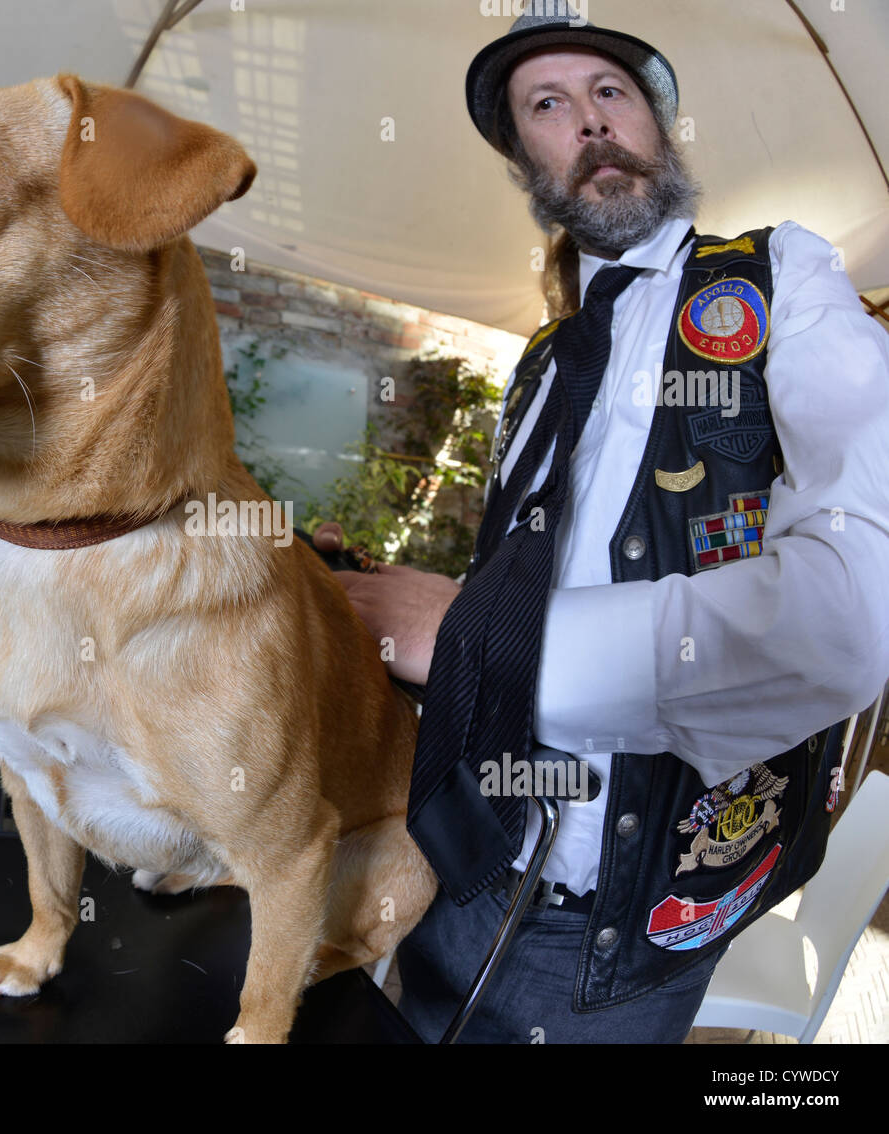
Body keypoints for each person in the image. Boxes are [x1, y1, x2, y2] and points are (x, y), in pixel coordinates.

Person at [315, 10, 889, 1043]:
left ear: (658, 127)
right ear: (523, 161)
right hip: (462, 856)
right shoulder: (541, 363)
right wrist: (383, 593)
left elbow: (850, 622)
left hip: (621, 923)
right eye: (548, 105)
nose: (587, 122)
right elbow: (518, 574)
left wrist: (474, 640)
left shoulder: (779, 278)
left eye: (610, 93)